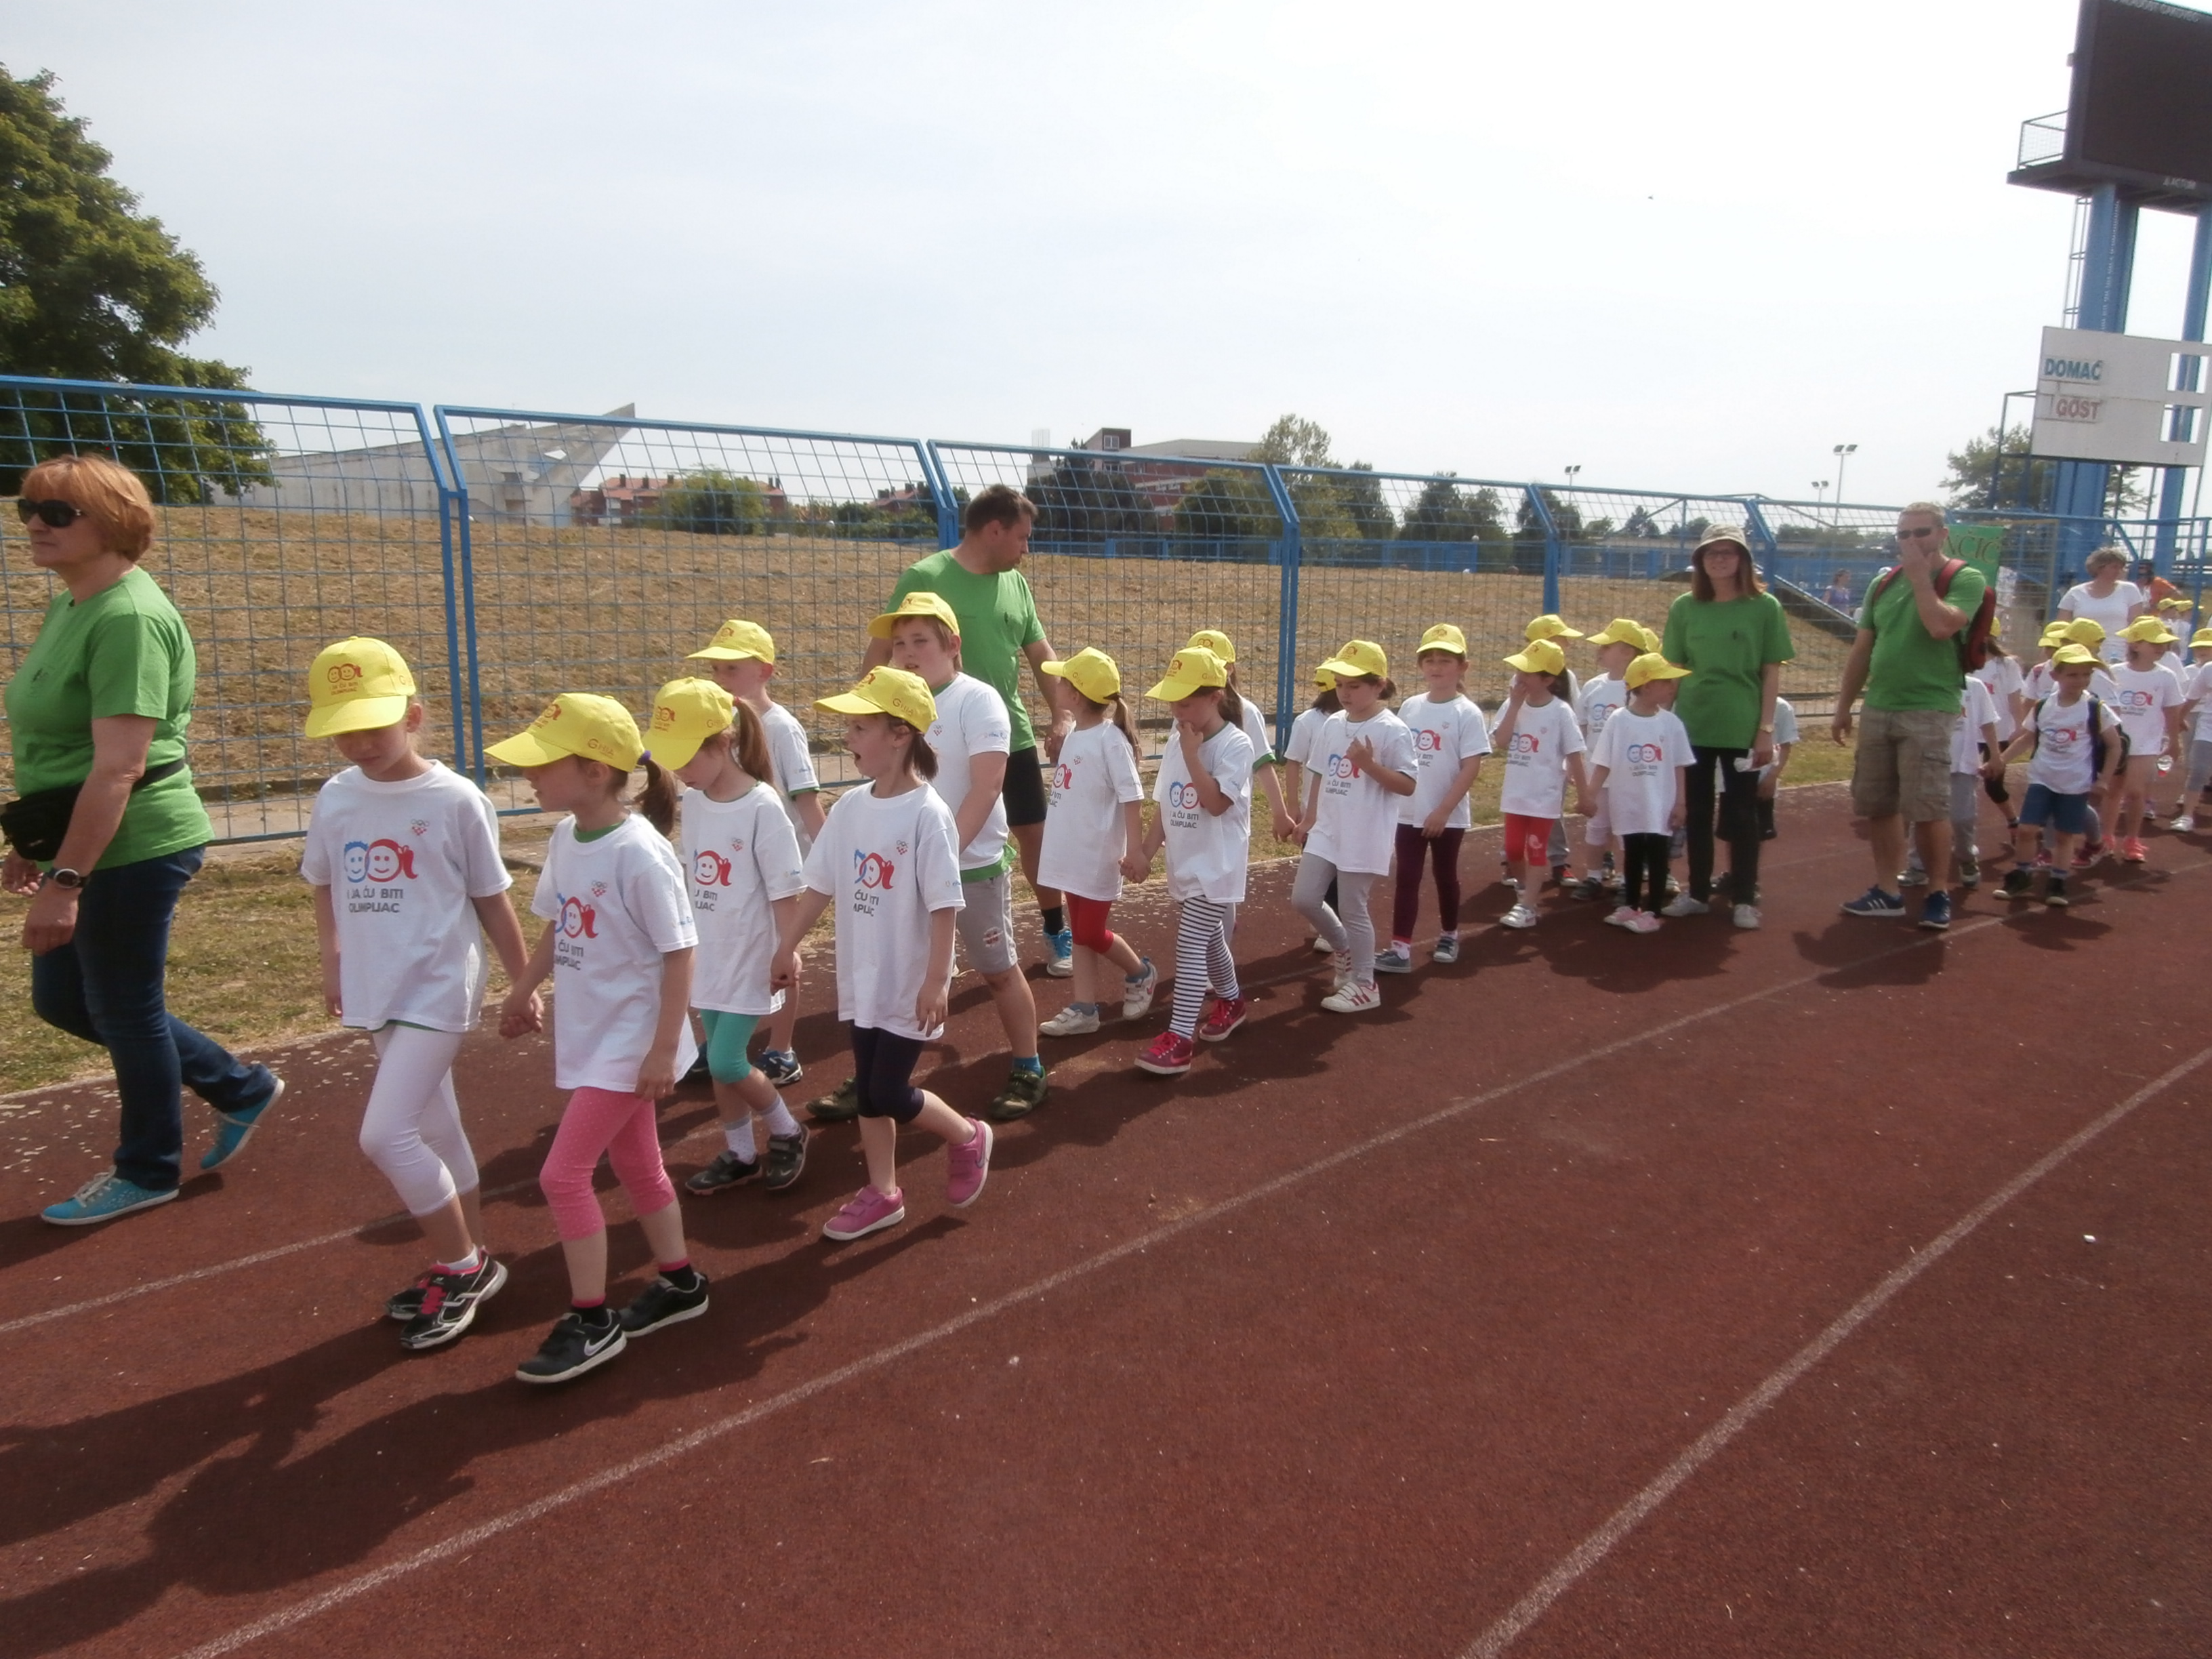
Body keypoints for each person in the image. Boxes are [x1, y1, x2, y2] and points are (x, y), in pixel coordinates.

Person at [5, 454, 283, 1227]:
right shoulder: (76, 602)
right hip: (85, 835)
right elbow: (63, 749)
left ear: (114, 521)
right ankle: (237, 1085)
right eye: (30, 506)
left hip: (136, 843)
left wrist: (66, 881)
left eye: (59, 511)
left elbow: (121, 767)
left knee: (125, 1008)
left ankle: (148, 1167)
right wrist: (35, 841)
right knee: (66, 1000)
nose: (34, 522)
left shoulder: (128, 617)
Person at [299, 636, 531, 1351]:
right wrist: (333, 962)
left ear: (414, 714)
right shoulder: (338, 798)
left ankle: (461, 1265)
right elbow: (326, 883)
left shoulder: (456, 799)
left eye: (374, 722)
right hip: (377, 982)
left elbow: (492, 899)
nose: (360, 741)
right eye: (344, 727)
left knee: (385, 1134)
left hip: (437, 982)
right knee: (436, 1129)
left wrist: (523, 984)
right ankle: (473, 1259)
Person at [490, 694, 708, 1385]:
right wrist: (525, 988)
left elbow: (680, 952)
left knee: (562, 1175)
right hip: (598, 1030)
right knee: (640, 1164)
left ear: (592, 771)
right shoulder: (566, 839)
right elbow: (561, 921)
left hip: (631, 1041)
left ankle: (592, 1317)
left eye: (541, 764)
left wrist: (661, 1050)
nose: (528, 775)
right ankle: (680, 1283)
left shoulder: (640, 853)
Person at [773, 667, 993, 1242]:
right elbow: (819, 884)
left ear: (899, 735)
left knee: (888, 1092)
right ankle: (884, 1191)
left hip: (906, 979)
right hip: (863, 974)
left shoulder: (928, 815)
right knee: (867, 1088)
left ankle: (968, 1136)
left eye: (859, 727)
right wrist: (786, 944)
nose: (848, 738)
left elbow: (945, 903)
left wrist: (937, 980)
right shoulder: (849, 808)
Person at [862, 485, 1077, 975]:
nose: (1027, 549)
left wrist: (1061, 713)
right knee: (926, 832)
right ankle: (938, 943)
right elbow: (880, 654)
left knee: (1034, 836)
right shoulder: (926, 576)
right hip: (930, 735)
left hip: (1007, 735)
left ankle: (1054, 930)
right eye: (1022, 538)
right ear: (994, 530)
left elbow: (1040, 655)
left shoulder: (1015, 585)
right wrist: (870, 721)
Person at [873, 592, 1048, 1121]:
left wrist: (944, 857)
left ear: (953, 645)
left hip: (969, 867)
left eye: (919, 641)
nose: (906, 652)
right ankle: (877, 1077)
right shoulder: (893, 706)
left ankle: (1028, 1065)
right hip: (907, 869)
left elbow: (988, 784)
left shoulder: (977, 700)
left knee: (997, 971)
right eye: (899, 643)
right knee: (901, 974)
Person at [651, 678, 813, 1197]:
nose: (679, 771)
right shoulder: (696, 803)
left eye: (687, 758)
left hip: (751, 955)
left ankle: (788, 1131)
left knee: (725, 1060)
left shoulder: (763, 806)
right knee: (721, 1068)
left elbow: (787, 890)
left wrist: (787, 949)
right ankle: (741, 1151)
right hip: (711, 953)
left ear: (722, 743)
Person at [1832, 502, 1987, 933]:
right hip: (1881, 705)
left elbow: (1942, 627)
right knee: (1878, 803)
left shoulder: (1964, 578)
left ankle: (1937, 891)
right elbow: (1862, 648)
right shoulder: (1882, 583)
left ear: (1941, 533)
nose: (1912, 542)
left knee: (1929, 806)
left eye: (1921, 532)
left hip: (1929, 706)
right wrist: (1845, 706)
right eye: (1904, 535)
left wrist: (1921, 578)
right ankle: (1887, 890)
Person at [685, 618, 823, 1086]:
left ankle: (782, 1048)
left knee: (779, 952)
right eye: (715, 670)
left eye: (731, 668)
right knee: (721, 943)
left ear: (763, 671)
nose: (720, 677)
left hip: (780, 863)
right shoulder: (716, 729)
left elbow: (805, 797)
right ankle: (719, 1040)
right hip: (732, 866)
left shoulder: (782, 727)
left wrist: (827, 861)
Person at [1659, 525, 1794, 930]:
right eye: (1710, 553)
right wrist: (1663, 724)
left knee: (1742, 814)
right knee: (1695, 812)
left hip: (1742, 725)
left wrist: (1766, 729)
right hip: (1694, 724)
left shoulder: (1765, 607)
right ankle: (1697, 892)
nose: (1719, 559)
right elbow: (1674, 671)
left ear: (1743, 560)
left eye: (1728, 552)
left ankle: (1744, 896)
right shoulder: (1685, 607)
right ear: (1700, 561)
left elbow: (1771, 673)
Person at [1127, 647, 1253, 1076]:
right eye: (1172, 701)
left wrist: (1194, 754)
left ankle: (1180, 1038)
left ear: (1215, 696)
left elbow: (1216, 803)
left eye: (1185, 702)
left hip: (1217, 866)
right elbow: (1165, 804)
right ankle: (1232, 1001)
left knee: (1191, 940)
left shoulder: (1236, 743)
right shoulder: (1180, 740)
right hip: (1186, 861)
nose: (1175, 710)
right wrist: (1145, 852)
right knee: (1211, 939)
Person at [1032, 647, 1155, 1038]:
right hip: (1072, 851)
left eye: (1064, 681)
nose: (1057, 684)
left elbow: (1131, 795)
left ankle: (1140, 972)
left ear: (1078, 695)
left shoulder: (1110, 740)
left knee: (1087, 933)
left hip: (1098, 855)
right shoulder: (1076, 735)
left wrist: (1134, 849)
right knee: (1081, 931)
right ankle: (1085, 1007)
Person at [1290, 640, 1416, 1014]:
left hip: (1364, 832)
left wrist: (1370, 764)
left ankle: (1365, 984)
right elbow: (1320, 773)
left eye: (1354, 685)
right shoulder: (1332, 724)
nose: (1344, 692)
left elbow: (1408, 784)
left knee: (1352, 906)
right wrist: (1309, 819)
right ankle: (1344, 949)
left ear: (1379, 686)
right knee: (1305, 898)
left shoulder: (1393, 730)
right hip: (1329, 828)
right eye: (1340, 684)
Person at [1379, 624, 1489, 971]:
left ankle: (1450, 934)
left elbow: (1471, 767)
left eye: (1445, 660)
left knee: (1445, 874)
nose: (1436, 667)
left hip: (1447, 814)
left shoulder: (1467, 712)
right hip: (1409, 811)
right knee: (1407, 876)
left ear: (1462, 667)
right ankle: (1400, 948)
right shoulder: (1411, 707)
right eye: (1429, 660)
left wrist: (1443, 810)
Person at [2000, 645, 2125, 907]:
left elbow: (2115, 745)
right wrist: (2000, 761)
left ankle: (2058, 880)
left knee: (2064, 835)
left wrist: (2103, 779)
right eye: (2073, 675)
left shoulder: (2095, 708)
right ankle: (2022, 875)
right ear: (2056, 675)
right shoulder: (2044, 705)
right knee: (2026, 829)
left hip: (2075, 783)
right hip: (2042, 778)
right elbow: (2029, 738)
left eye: (2085, 674)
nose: (2080, 680)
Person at [1490, 638, 1591, 930]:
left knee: (1536, 849)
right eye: (1519, 670)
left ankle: (1528, 906)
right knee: (1512, 850)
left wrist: (1584, 794)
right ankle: (1525, 892)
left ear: (1548, 679)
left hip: (1544, 796)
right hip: (1516, 794)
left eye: (1528, 672)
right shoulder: (1513, 705)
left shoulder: (1561, 712)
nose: (1520, 677)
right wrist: (1515, 706)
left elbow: (1575, 754)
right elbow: (1502, 741)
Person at [1587, 653, 1693, 933]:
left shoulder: (1671, 724)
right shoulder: (1619, 720)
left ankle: (1653, 911)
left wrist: (1680, 803)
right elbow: (1603, 762)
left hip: (1660, 803)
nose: (1672, 686)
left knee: (1657, 855)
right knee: (1633, 853)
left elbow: (1680, 765)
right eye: (1665, 681)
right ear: (1646, 686)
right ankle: (1631, 905)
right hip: (1628, 801)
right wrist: (1589, 796)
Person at [1185, 629, 1294, 840]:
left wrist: (1280, 814)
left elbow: (1263, 766)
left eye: (1214, 665)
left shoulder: (1247, 713)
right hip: (1189, 818)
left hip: (1227, 826)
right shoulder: (1184, 711)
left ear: (1230, 669)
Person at [1900, 674, 2003, 892]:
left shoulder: (1974, 687)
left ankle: (1966, 857)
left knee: (1961, 818)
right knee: (1922, 815)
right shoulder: (1923, 684)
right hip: (1927, 761)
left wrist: (1995, 755)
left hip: (1962, 764)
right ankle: (1918, 867)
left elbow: (1987, 722)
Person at [1570, 619, 1647, 901]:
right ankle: (1592, 876)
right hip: (1596, 772)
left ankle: (1628, 880)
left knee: (1627, 828)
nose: (1599, 651)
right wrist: (1575, 764)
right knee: (1597, 825)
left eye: (1607, 646)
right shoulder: (1593, 686)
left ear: (1628, 652)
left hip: (1630, 772)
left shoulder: (1640, 687)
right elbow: (1582, 728)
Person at [2106, 618, 2185, 861]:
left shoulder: (2166, 676)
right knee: (2113, 791)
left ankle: (2132, 839)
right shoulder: (2115, 673)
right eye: (2154, 643)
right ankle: (2106, 837)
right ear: (2136, 644)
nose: (2161, 648)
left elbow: (2172, 711)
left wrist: (2174, 741)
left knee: (2136, 792)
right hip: (2117, 744)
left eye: (2163, 643)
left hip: (2146, 744)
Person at [1282, 669, 1341, 954]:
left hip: (1344, 814)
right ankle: (1327, 918)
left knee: (1341, 874)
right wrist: (1293, 805)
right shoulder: (1308, 722)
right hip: (1313, 812)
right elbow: (1293, 762)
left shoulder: (1352, 723)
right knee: (1318, 871)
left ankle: (1333, 925)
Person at [2057, 547, 2144, 664]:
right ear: (2099, 568)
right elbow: (2062, 627)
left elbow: (2136, 625)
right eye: (2115, 567)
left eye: (2122, 567)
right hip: (2082, 655)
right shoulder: (2075, 593)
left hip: (2119, 655)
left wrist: (2135, 654)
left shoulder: (2130, 590)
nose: (2120, 571)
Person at [2165, 626, 2212, 830]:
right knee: (2199, 769)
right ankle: (2187, 817)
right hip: (2208, 725)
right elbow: (2192, 699)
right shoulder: (2208, 670)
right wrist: (2178, 720)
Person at [1750, 695, 1799, 842]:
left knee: (1759, 834)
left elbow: (1785, 746)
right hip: (1735, 778)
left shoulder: (1782, 707)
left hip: (1763, 780)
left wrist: (1772, 776)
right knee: (1734, 833)